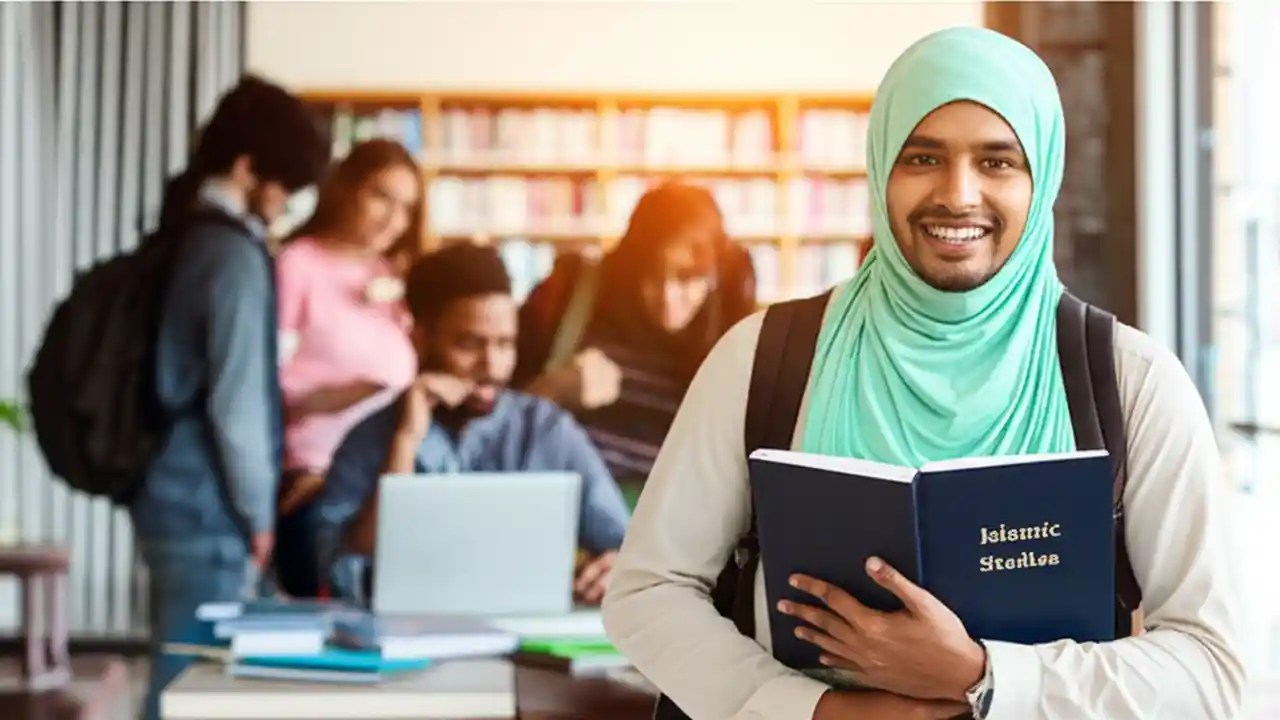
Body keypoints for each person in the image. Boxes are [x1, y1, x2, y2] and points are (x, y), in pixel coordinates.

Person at [602, 27, 1245, 720]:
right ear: (881, 170)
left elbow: (1210, 669)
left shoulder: (1130, 382)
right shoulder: (765, 358)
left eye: (998, 163)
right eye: (923, 157)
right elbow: (647, 594)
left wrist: (982, 674)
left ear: (1044, 178)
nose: (957, 194)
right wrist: (815, 712)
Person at [130, 76, 329, 720]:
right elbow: (237, 403)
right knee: (191, 682)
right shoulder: (231, 257)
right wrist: (259, 516)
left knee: (180, 669)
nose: (287, 204)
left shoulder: (181, 235)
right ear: (247, 168)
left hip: (168, 490)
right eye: (285, 186)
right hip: (206, 505)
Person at [313, 241, 631, 607]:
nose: (493, 366)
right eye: (469, 344)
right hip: (406, 643)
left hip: (526, 643)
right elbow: (338, 571)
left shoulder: (545, 430)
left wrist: (618, 565)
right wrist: (405, 442)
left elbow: (627, 547)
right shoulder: (370, 438)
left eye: (505, 344)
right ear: (419, 339)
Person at [514, 181, 757, 502]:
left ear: (714, 274)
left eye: (687, 279)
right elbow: (496, 426)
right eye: (653, 277)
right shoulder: (572, 296)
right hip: (565, 509)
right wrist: (554, 390)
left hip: (673, 524)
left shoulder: (737, 329)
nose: (668, 299)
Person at [272, 139, 424, 598]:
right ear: (346, 188)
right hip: (316, 476)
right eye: (381, 197)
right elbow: (265, 381)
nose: (392, 220)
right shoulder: (297, 264)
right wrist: (345, 395)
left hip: (387, 476)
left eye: (406, 209)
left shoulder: (391, 278)